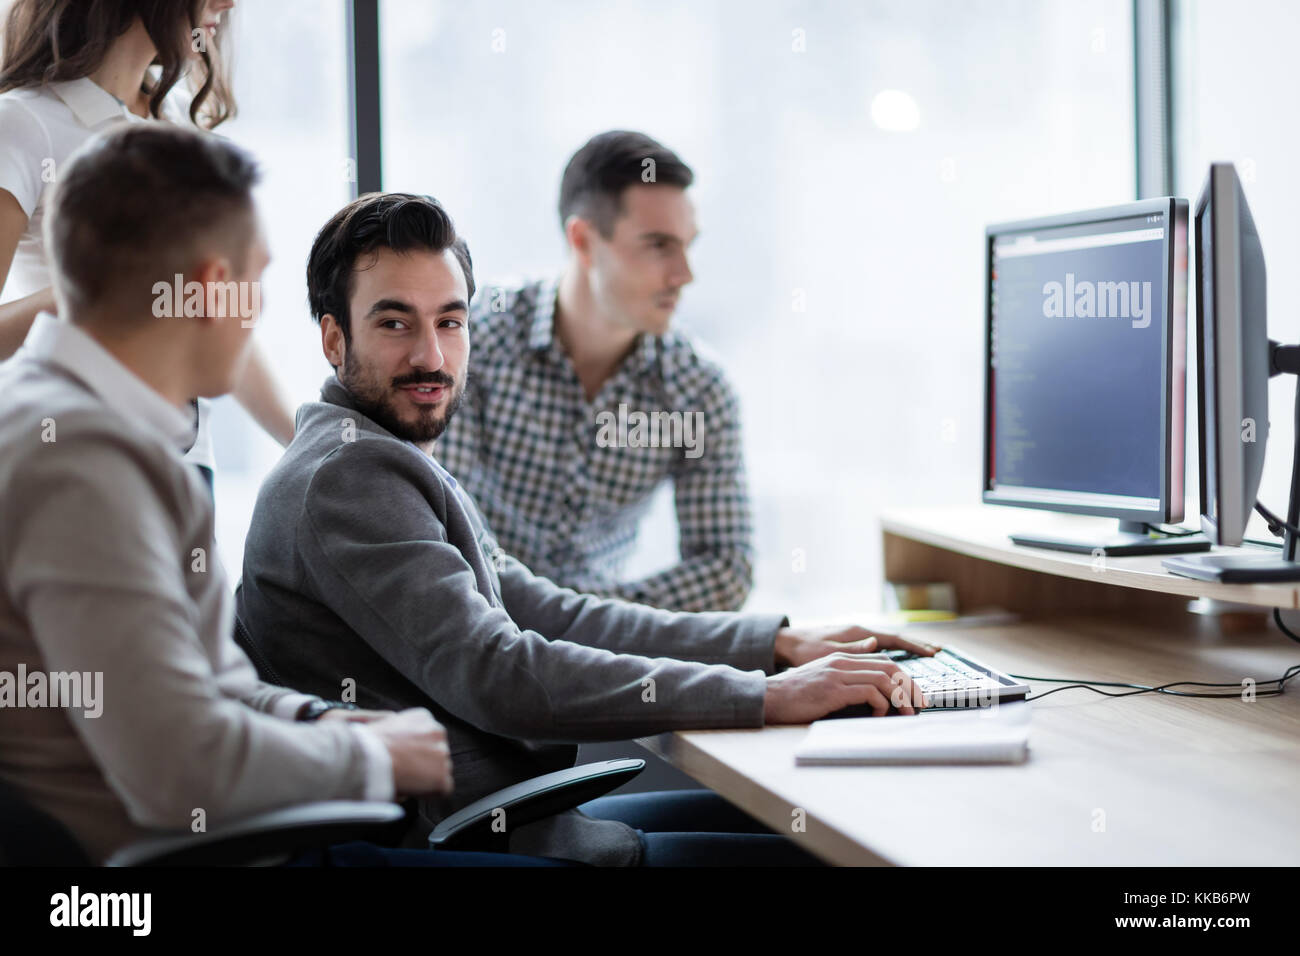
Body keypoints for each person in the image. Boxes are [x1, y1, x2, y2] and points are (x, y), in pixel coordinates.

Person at [236, 192, 938, 867]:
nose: (432, 356)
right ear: (334, 338)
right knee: (839, 853)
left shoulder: (380, 455)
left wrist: (772, 644)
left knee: (822, 824)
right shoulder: (350, 478)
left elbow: (544, 608)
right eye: (395, 324)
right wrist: (766, 696)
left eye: (449, 322)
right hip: (464, 839)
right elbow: (499, 674)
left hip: (514, 821)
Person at [0, 123, 559, 868]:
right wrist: (373, 762)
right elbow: (178, 767)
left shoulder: (113, 436)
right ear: (207, 288)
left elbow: (212, 686)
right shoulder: (79, 463)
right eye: (255, 280)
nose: (258, 315)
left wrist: (324, 720)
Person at [435, 131, 752, 612]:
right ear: (583, 240)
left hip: (602, 651)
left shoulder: (698, 390)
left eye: (688, 245)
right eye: (659, 246)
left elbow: (727, 566)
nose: (684, 274)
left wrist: (595, 615)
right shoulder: (477, 339)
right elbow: (439, 517)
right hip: (475, 627)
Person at [0, 0, 297, 490]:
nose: (229, 3)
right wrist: (108, 291)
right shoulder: (23, 123)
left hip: (189, 463)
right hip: (87, 460)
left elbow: (214, 315)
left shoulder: (179, 122)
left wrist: (311, 442)